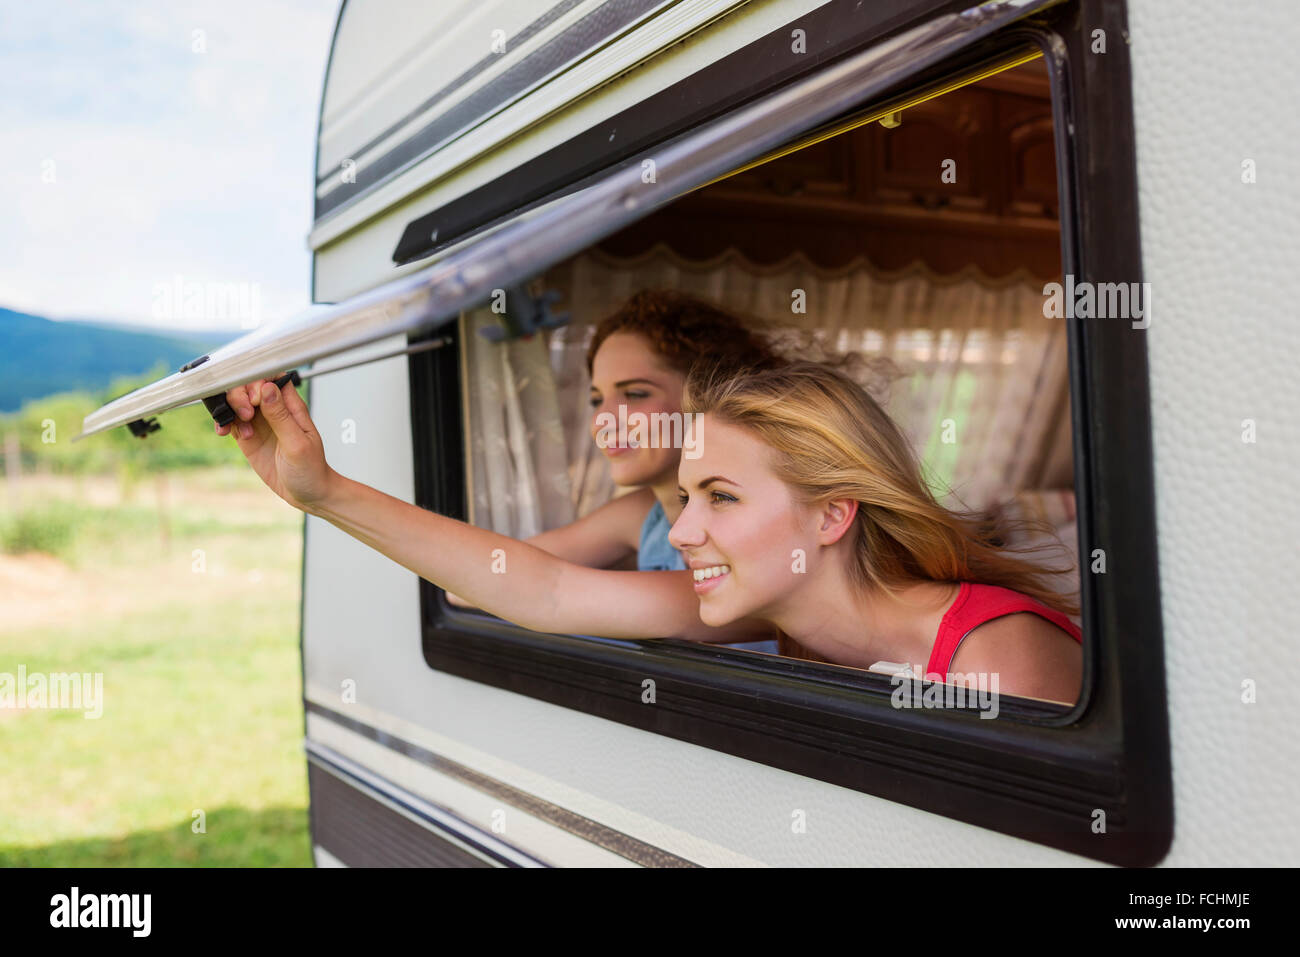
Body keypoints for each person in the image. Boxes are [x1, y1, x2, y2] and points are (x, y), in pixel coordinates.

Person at [217, 355, 1081, 703]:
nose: (688, 526)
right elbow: (545, 589)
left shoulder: (994, 656)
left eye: (722, 497)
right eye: (688, 494)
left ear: (831, 514)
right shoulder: (768, 608)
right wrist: (323, 492)